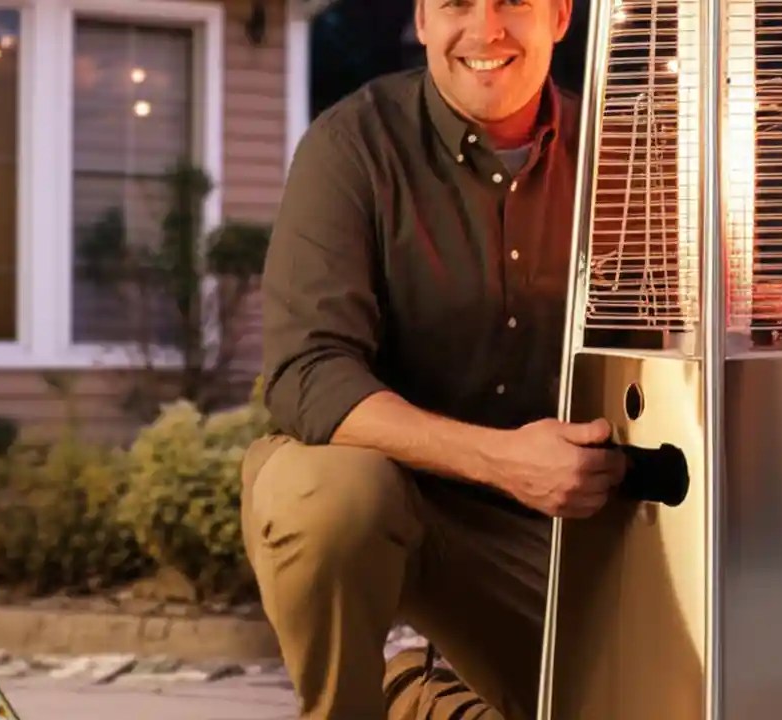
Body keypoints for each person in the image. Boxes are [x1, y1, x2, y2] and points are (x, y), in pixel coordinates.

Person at [239, 0, 628, 718]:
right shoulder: (352, 144)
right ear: (422, 20)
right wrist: (504, 460)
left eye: (513, 1)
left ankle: (426, 700)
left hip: (548, 529)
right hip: (389, 489)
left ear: (561, 16)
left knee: (651, 698)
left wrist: (745, 314)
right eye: (456, 3)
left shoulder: (626, 157)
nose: (486, 30)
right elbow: (307, 374)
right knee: (328, 497)